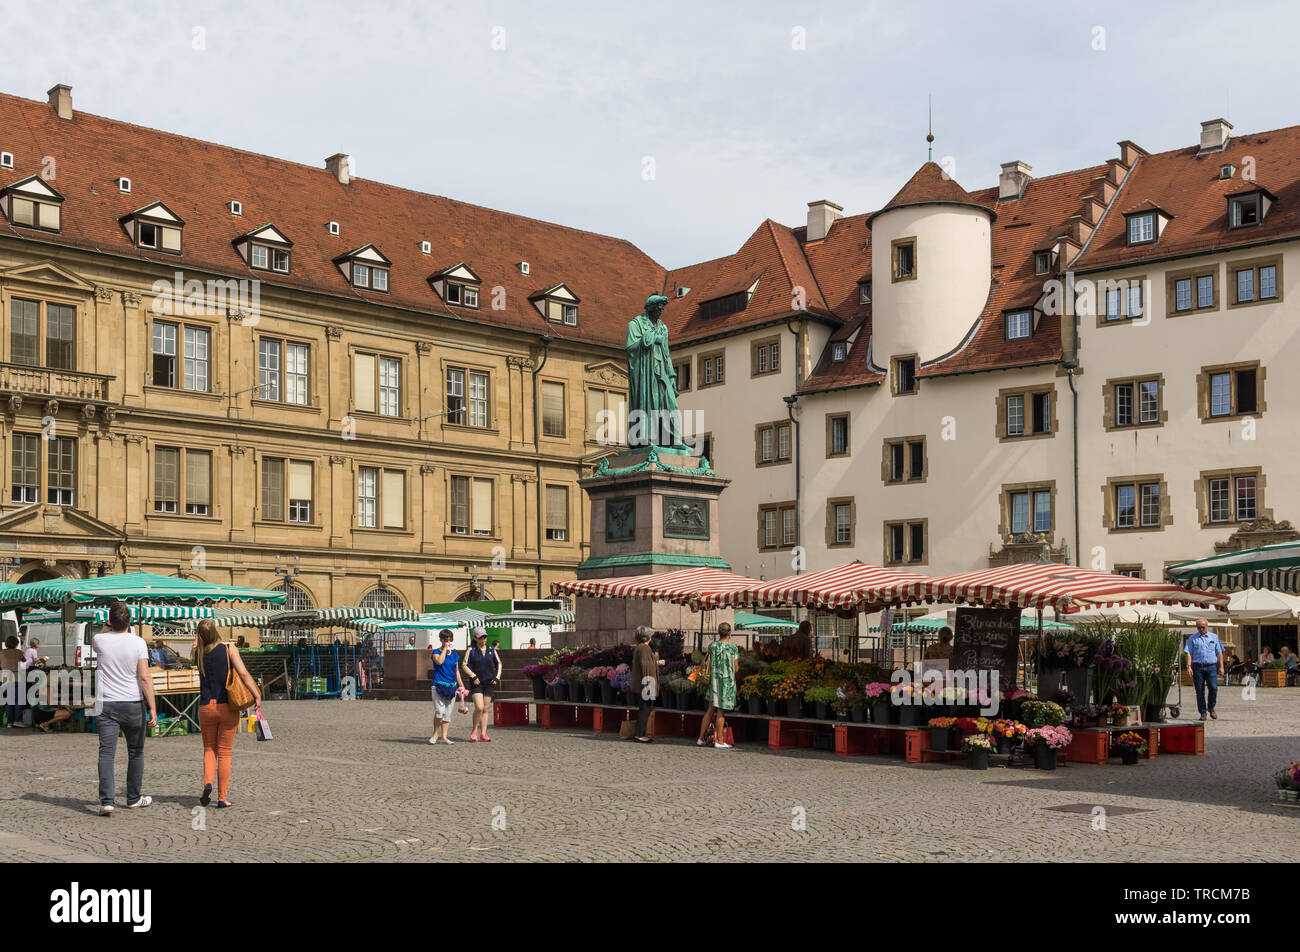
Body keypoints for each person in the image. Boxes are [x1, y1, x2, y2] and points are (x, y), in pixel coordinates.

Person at [93, 599, 158, 815]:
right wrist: (153, 707)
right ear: (129, 621)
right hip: (132, 702)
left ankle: (107, 802)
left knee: (106, 753)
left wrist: (110, 623)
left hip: (107, 704)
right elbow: (145, 677)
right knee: (136, 752)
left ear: (110, 621)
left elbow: (104, 632)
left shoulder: (99, 640)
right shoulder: (138, 643)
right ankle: (133, 798)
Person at [194, 618, 261, 808]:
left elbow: (198, 645)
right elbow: (244, 674)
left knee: (209, 749)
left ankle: (208, 783)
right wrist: (256, 694)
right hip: (227, 707)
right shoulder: (228, 649)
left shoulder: (197, 652)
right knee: (224, 753)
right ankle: (222, 798)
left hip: (206, 707)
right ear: (216, 631)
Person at [697, 623, 739, 749]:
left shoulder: (712, 646)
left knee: (710, 710)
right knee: (721, 711)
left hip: (714, 682)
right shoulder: (733, 648)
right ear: (729, 633)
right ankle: (719, 740)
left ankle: (700, 738)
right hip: (726, 683)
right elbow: (736, 668)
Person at [461, 628, 501, 742]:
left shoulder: (492, 650)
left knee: (485, 708)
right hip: (476, 683)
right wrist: (473, 676)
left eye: (484, 637)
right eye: (480, 637)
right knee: (479, 707)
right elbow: (465, 665)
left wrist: (496, 678)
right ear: (475, 638)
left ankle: (483, 733)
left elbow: (499, 664)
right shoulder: (471, 651)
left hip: (489, 683)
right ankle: (474, 731)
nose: (483, 639)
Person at [1184, 619, 1224, 722]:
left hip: (1211, 667)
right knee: (1199, 691)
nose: (1201, 629)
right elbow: (1189, 653)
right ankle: (1202, 712)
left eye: (1203, 627)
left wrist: (1221, 667)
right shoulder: (1193, 638)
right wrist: (1189, 666)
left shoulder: (1214, 637)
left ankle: (1211, 707)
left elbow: (1219, 653)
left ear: (1207, 626)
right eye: (1199, 627)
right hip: (1198, 667)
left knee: (1213, 688)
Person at [429, 631, 463, 744]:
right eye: (446, 639)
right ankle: (435, 734)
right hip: (438, 685)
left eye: (450, 639)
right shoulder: (436, 652)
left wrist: (461, 684)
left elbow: (456, 670)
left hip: (451, 686)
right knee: (440, 711)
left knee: (448, 713)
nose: (448, 641)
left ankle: (444, 736)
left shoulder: (454, 655)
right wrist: (445, 649)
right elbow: (439, 662)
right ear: (441, 640)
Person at [630, 627, 659, 743]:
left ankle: (639, 733)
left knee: (644, 709)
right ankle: (640, 735)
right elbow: (646, 667)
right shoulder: (645, 648)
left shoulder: (641, 648)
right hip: (647, 684)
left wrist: (655, 661)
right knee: (645, 709)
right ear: (648, 637)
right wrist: (649, 686)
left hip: (645, 683)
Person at [1, 635, 23, 728]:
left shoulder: (1, 653)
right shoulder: (19, 652)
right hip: (17, 677)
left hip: (6, 678)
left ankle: (9, 722)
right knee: (18, 701)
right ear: (16, 643)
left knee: (9, 701)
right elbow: (24, 660)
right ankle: (17, 720)